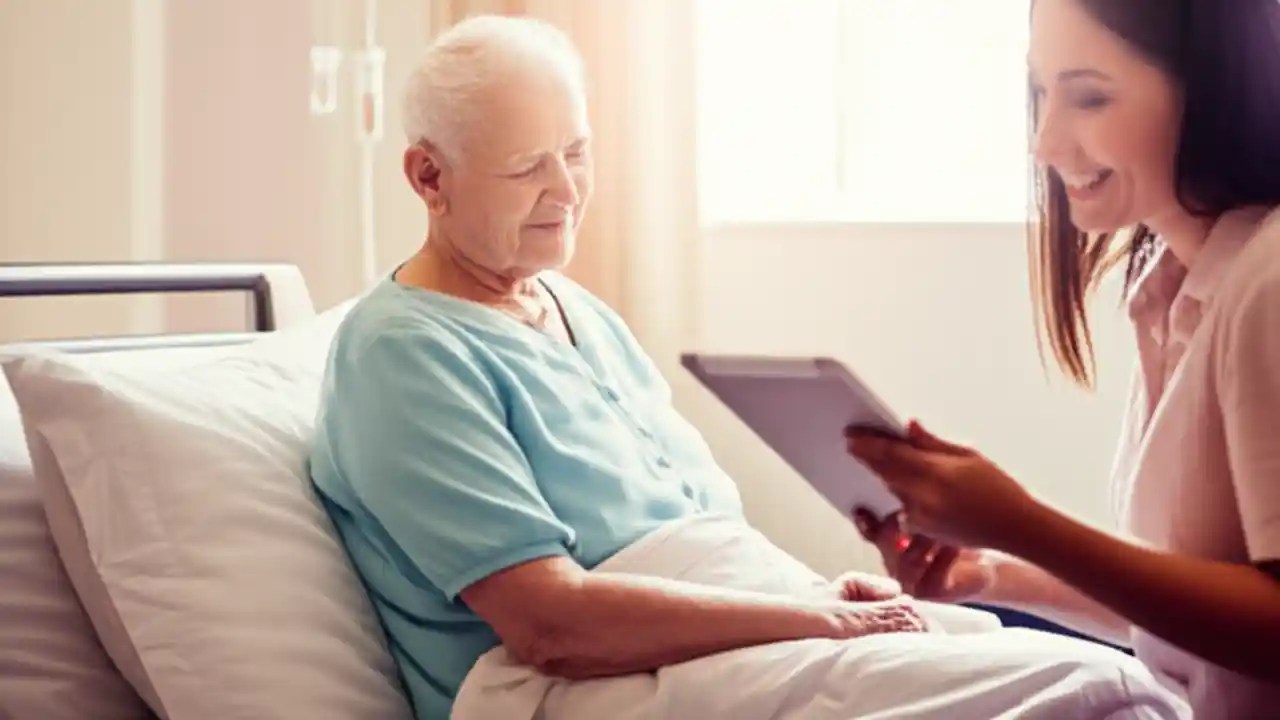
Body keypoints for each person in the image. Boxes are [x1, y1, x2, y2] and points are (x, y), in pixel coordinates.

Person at [310, 14, 1187, 720]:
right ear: (429, 176)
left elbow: (701, 540)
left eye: (576, 154)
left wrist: (811, 592)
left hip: (737, 631)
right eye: (526, 168)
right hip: (576, 685)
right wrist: (813, 617)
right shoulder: (402, 351)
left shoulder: (578, 311)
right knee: (1079, 695)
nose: (568, 192)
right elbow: (550, 625)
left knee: (1072, 672)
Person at [846, 1, 1280, 718]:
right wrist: (994, 571)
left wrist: (1026, 524)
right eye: (1041, 93)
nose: (1044, 142)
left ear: (1215, 89)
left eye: (1089, 96)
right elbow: (1192, 621)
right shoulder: (1172, 292)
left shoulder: (1267, 280)